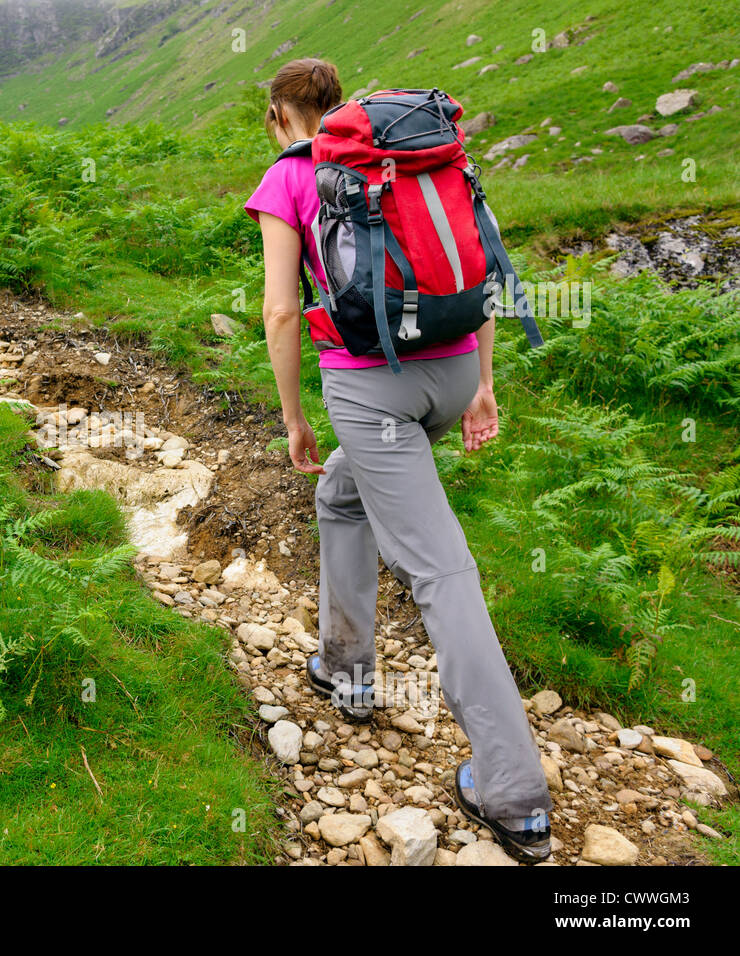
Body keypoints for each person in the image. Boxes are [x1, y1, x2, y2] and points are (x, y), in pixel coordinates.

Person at [243, 58, 553, 862]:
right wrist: (481, 383)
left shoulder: (290, 178)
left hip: (371, 391)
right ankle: (345, 668)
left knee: (441, 570)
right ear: (338, 107)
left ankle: (514, 793)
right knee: (343, 498)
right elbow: (477, 263)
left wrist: (294, 417)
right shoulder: (409, 156)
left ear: (281, 114)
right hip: (451, 373)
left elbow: (282, 310)